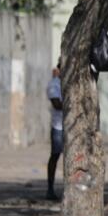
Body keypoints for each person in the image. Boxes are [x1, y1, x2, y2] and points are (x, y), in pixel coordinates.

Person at [45, 61, 63, 201]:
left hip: (71, 128)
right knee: (55, 156)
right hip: (58, 127)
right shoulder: (54, 84)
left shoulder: (71, 83)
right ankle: (50, 188)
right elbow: (57, 104)